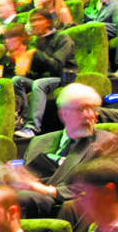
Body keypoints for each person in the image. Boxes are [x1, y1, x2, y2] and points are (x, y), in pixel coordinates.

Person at [0, 83, 118, 226]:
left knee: (24, 198)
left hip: (54, 198)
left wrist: (46, 190)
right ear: (63, 114)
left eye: (93, 108)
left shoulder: (104, 141)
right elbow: (25, 175)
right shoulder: (39, 141)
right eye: (82, 109)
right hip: (25, 192)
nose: (90, 115)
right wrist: (10, 176)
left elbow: (97, 186)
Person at [12, 8, 76, 139]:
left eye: (38, 20)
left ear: (48, 22)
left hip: (65, 76)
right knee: (17, 80)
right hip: (44, 80)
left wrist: (36, 53)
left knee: (39, 83)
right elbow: (36, 73)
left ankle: (32, 128)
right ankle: (22, 121)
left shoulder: (62, 37)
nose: (34, 24)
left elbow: (57, 66)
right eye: (31, 21)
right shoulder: (35, 43)